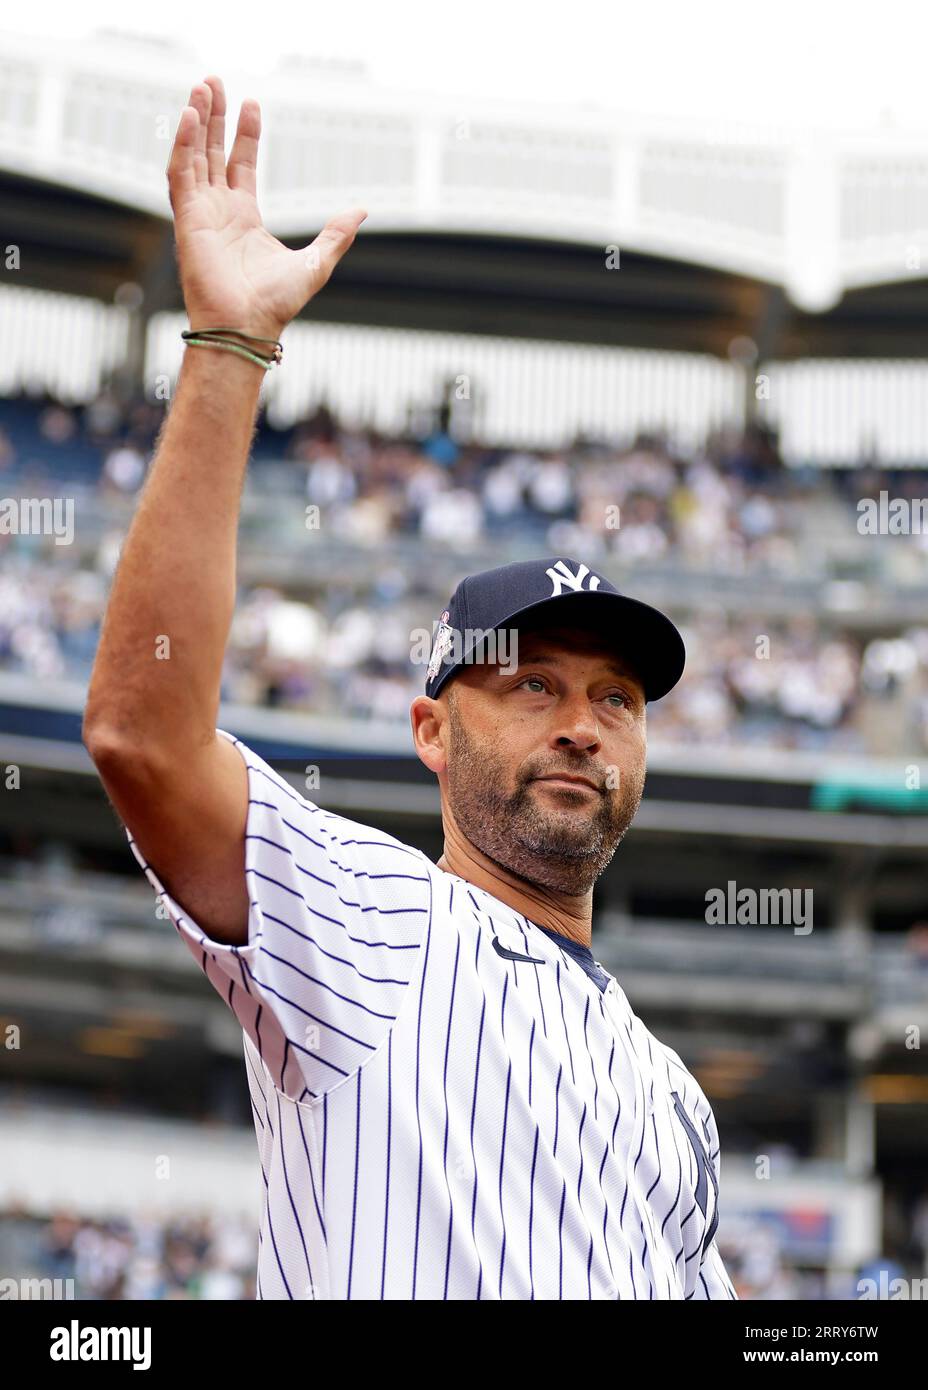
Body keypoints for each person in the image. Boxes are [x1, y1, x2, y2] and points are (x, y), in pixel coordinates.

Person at [83, 76, 736, 1301]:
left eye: (616, 700)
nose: (582, 728)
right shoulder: (368, 924)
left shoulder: (674, 1100)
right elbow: (140, 736)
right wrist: (231, 348)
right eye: (531, 685)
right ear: (432, 729)